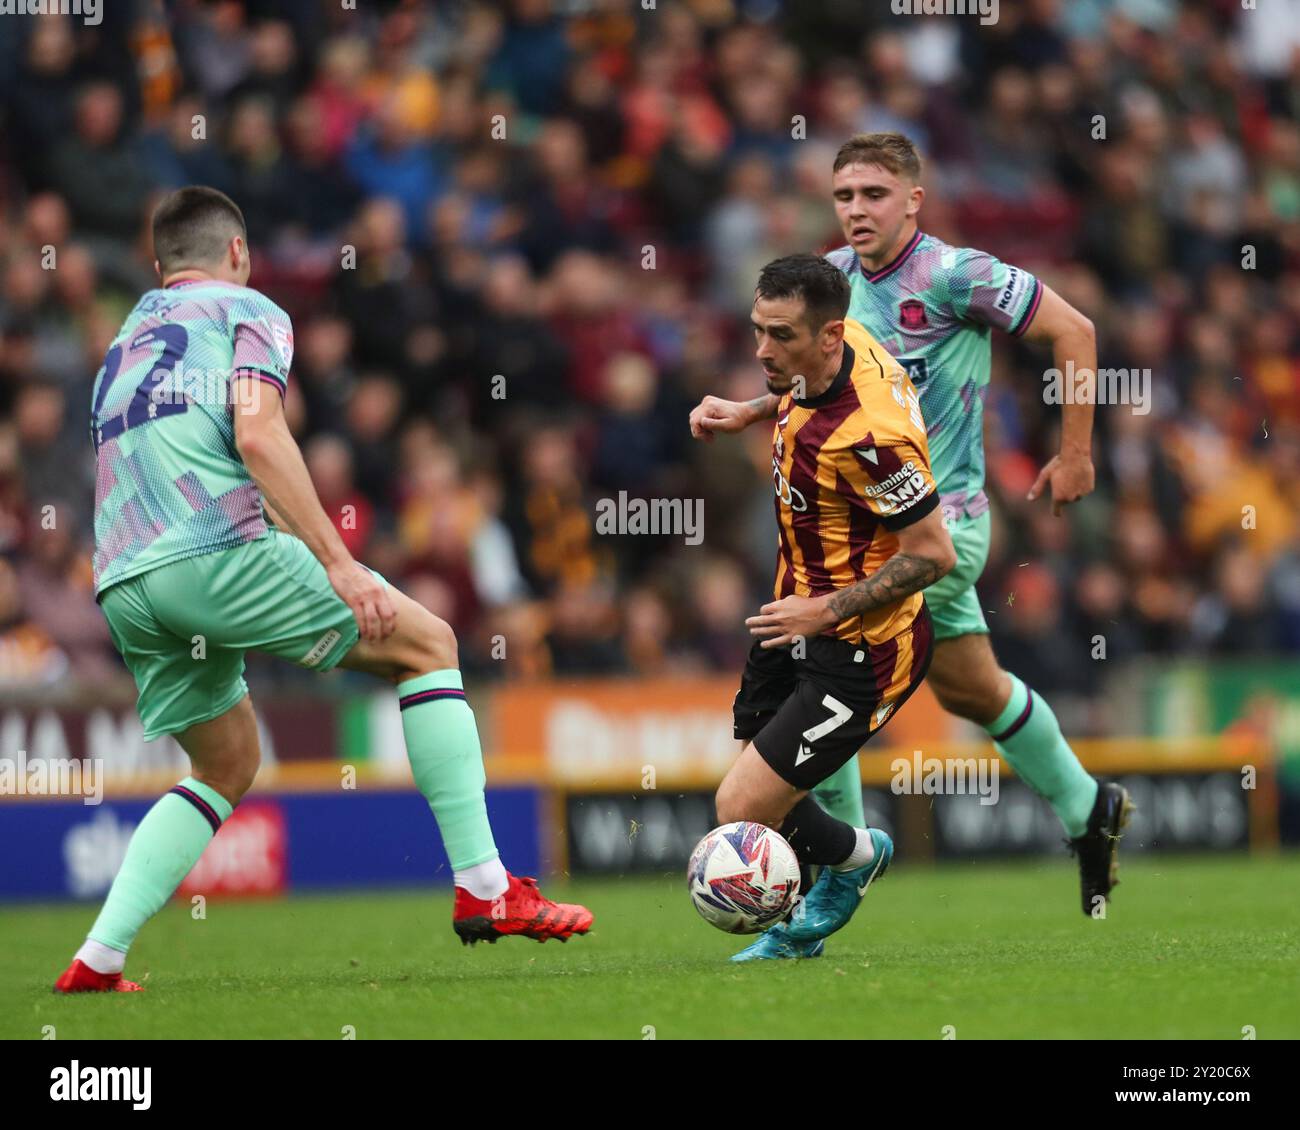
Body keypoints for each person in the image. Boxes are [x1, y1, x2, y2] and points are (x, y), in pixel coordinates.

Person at [56, 186, 591, 994]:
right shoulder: (249, 309)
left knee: (225, 762)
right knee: (428, 644)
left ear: (159, 264)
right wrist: (340, 564)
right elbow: (257, 432)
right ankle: (486, 888)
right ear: (237, 253)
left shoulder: (124, 340)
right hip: (212, 550)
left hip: (126, 580)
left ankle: (98, 958)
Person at [691, 134, 1132, 955]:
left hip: (942, 526)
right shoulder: (833, 283)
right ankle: (1086, 807)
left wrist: (1075, 452)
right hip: (871, 524)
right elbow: (814, 384)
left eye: (873, 194)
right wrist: (749, 410)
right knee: (970, 688)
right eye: (844, 196)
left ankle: (831, 888)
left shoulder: (959, 275)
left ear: (913, 200)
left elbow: (1076, 331)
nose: (857, 210)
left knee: (826, 656)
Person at [711, 254, 955, 962]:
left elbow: (933, 553)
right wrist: (751, 410)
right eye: (757, 329)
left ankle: (857, 858)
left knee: (741, 808)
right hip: (794, 610)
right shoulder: (830, 354)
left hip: (865, 650)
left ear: (827, 336)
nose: (761, 349)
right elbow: (799, 393)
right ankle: (806, 925)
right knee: (762, 787)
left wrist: (824, 614)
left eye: (779, 336)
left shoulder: (872, 436)